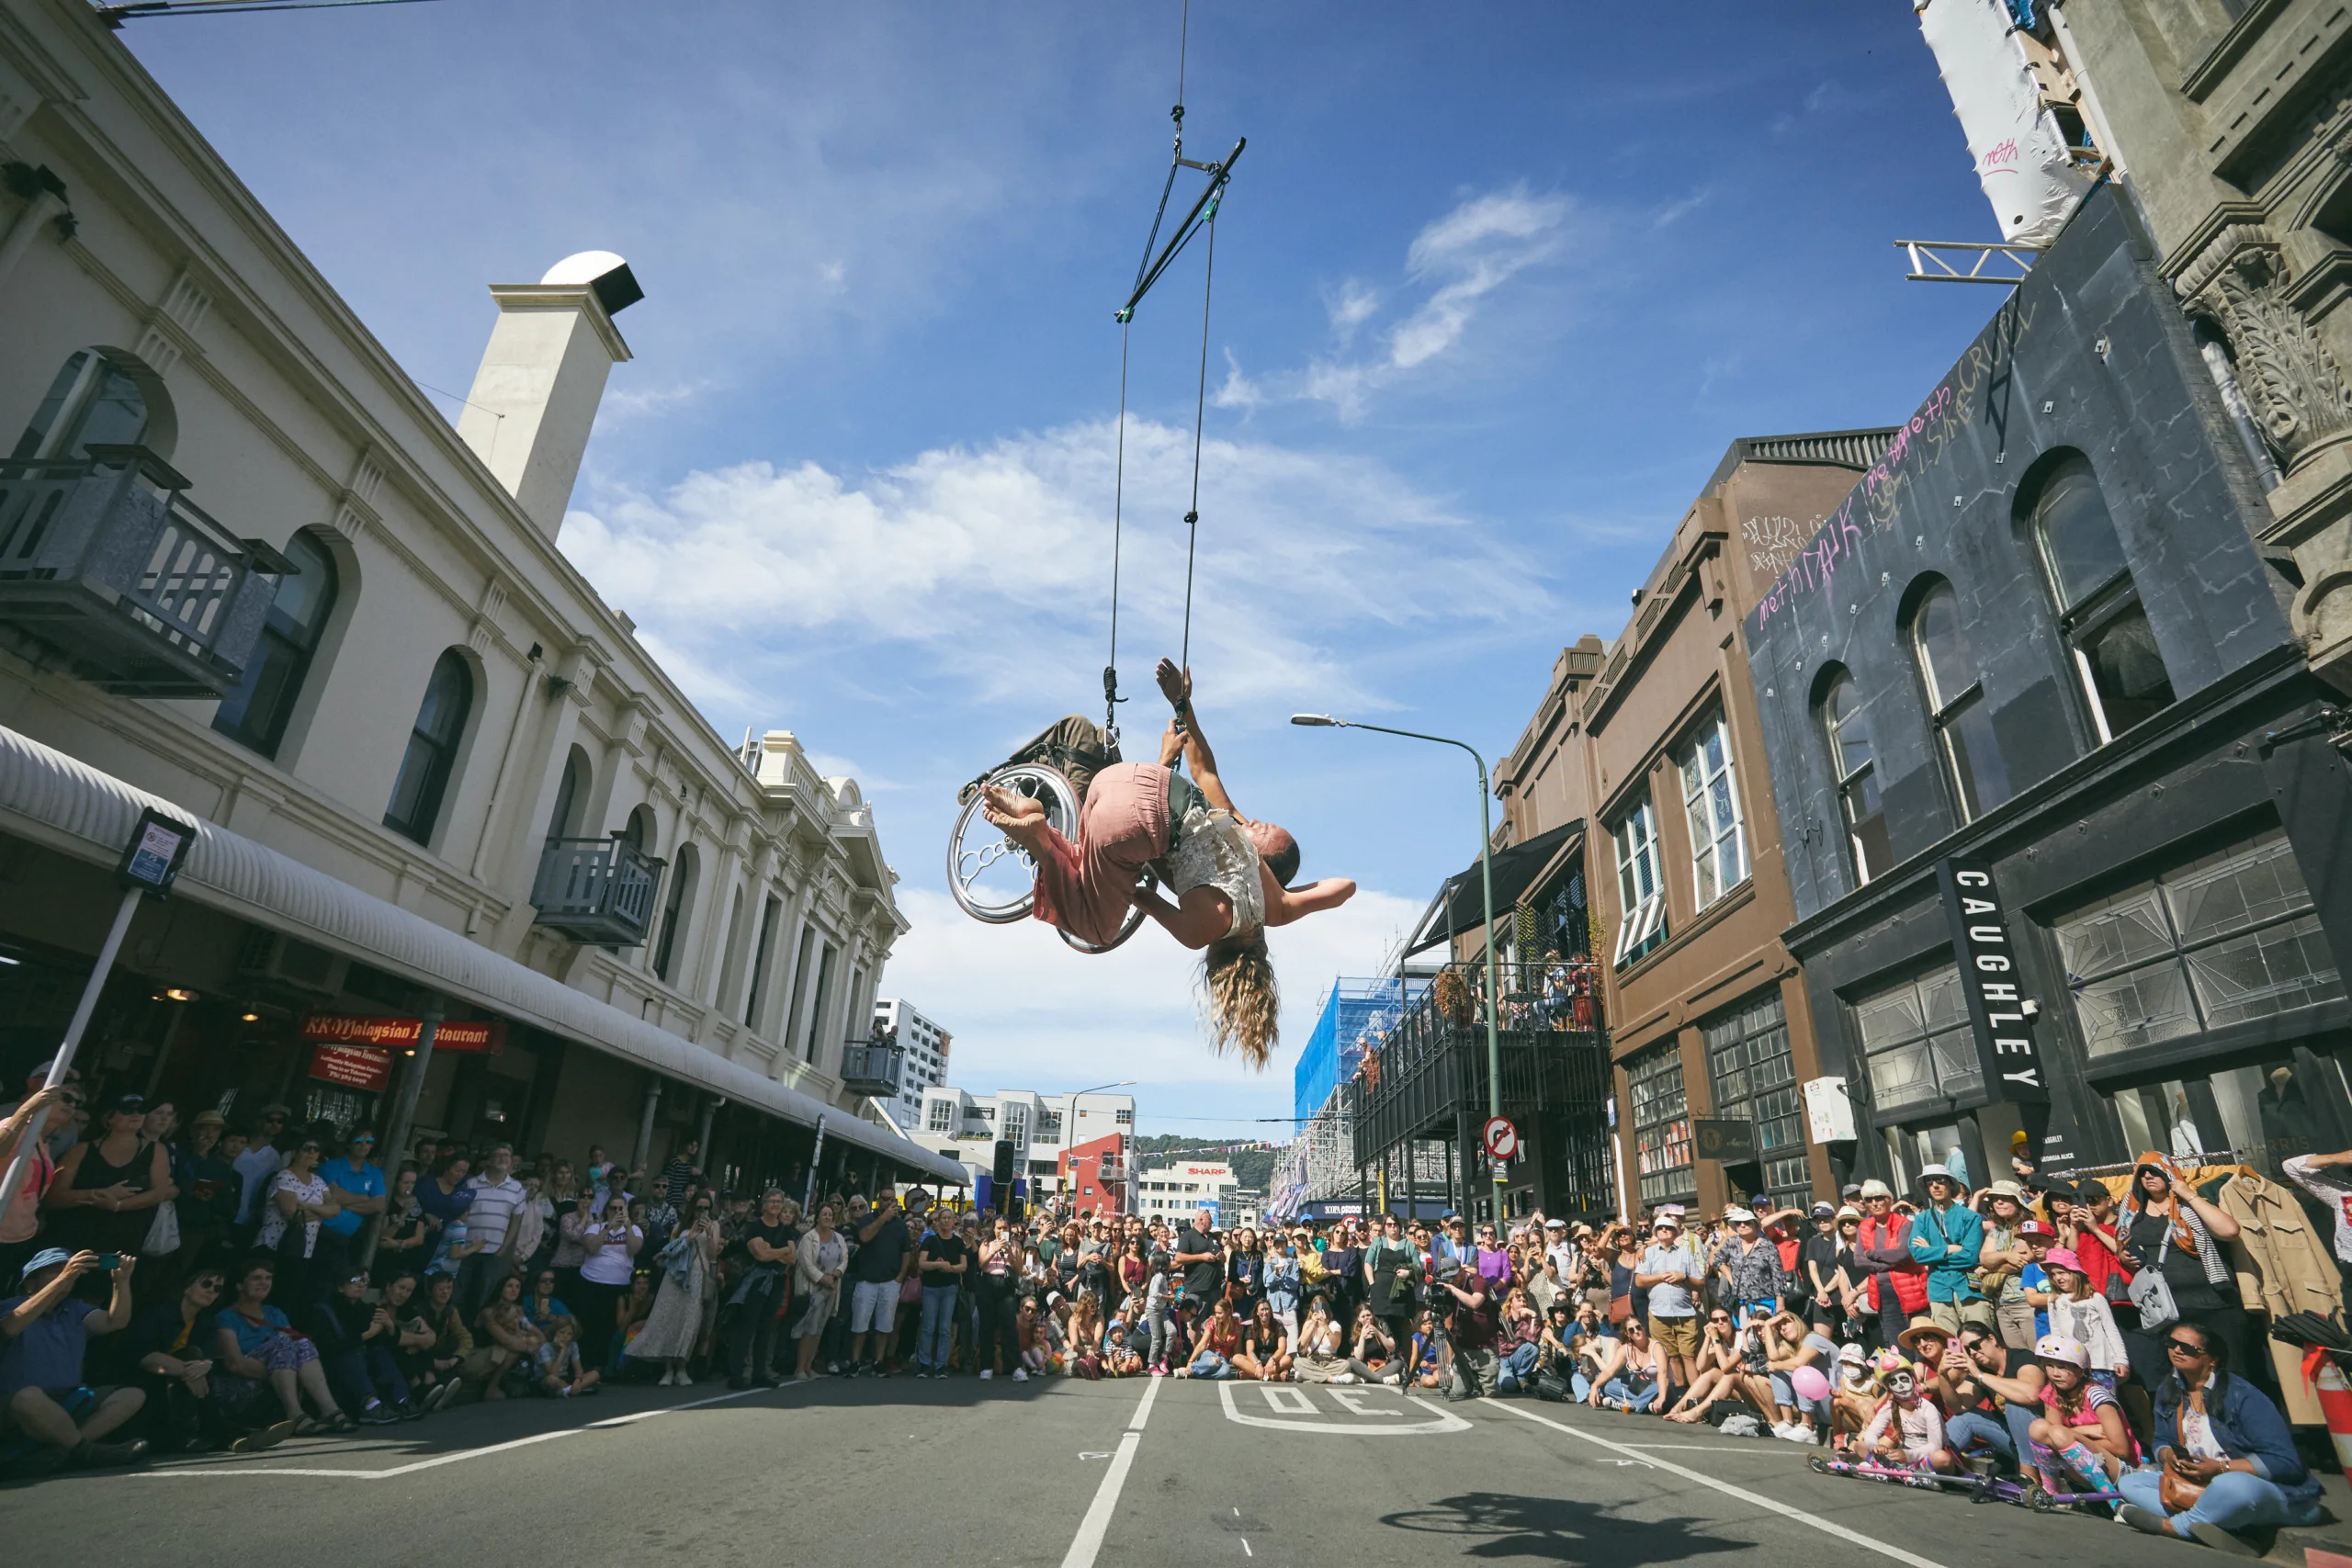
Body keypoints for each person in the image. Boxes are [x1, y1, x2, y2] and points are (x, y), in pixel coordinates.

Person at [980, 661, 1356, 1064]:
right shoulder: (1219, 903)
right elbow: (1143, 893)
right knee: (1098, 931)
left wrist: (1284, 905)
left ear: (1265, 858)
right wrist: (1181, 703)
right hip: (1123, 813)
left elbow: (1344, 888)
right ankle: (1038, 830)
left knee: (1084, 747)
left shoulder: (1265, 888)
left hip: (1138, 788)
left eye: (1266, 832)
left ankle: (1027, 810)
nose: (1257, 823)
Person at [2117, 1319, 2324, 1551]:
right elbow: (2161, 1442)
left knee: (2232, 1486)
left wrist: (2220, 1468)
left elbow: (2286, 1462)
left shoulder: (2243, 1396)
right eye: (2171, 1343)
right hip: (2202, 1485)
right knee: (2130, 1482)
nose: (2176, 1350)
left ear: (2212, 1360)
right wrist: (2169, 1456)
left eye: (2187, 1348)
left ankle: (2179, 1527)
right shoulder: (2170, 1390)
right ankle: (2222, 1524)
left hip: (2275, 1494)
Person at [0, 1247, 146, 1474]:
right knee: (28, 1397)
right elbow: (10, 1327)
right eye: (54, 1271)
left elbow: (115, 1322)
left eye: (69, 1270)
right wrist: (65, 1276)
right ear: (30, 1283)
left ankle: (62, 1453)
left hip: (69, 1399)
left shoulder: (74, 1309)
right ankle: (88, 1452)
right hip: (21, 1407)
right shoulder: (12, 1306)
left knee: (132, 1395)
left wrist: (121, 1282)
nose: (66, 1275)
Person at [2120, 1153, 2259, 1386]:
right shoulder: (2133, 1208)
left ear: (2168, 1172)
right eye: (2142, 1172)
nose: (2147, 1176)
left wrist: (2188, 1195)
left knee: (2230, 1372)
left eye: (2153, 1170)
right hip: (2167, 1310)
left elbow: (2230, 1231)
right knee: (2185, 1378)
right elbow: (2122, 1240)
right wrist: (2123, 1255)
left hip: (2213, 1303)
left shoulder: (2190, 1200)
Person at [211, 1256, 351, 1436]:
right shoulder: (226, 1317)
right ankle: (294, 1414)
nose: (264, 1282)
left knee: (302, 1343)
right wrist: (279, 1370)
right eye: (256, 1278)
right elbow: (234, 1363)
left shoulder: (275, 1314)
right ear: (239, 1285)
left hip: (279, 1379)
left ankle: (329, 1410)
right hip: (243, 1382)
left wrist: (284, 1370)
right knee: (283, 1342)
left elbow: (296, 1352)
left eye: (268, 1278)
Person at [43, 1090, 176, 1266]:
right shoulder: (81, 1150)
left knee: (106, 1290)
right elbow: (53, 1198)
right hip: (72, 1238)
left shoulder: (157, 1151)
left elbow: (159, 1193)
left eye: (141, 1110)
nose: (136, 1114)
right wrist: (99, 1194)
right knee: (60, 1286)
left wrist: (118, 1205)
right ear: (109, 1118)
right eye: (128, 1110)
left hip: (120, 1246)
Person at [2024, 1334, 2128, 1499]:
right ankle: (2052, 1492)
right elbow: (2052, 1435)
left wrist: (2073, 1436)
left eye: (2063, 1367)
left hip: (2120, 1470)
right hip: (2077, 1464)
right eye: (2049, 1365)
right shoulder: (2052, 1393)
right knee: (2038, 1427)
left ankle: (2115, 1501)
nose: (2055, 1373)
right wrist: (2082, 1431)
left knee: (2059, 1433)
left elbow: (2121, 1449)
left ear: (2081, 1370)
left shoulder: (2096, 1395)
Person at [636, 1201, 719, 1386]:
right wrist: (689, 1237)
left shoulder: (714, 1225)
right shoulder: (680, 1226)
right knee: (670, 1320)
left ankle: (682, 1368)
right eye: (699, 1207)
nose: (703, 1211)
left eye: (706, 1208)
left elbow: (713, 1255)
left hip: (698, 1274)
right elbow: (670, 1250)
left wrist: (710, 1234)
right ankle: (668, 1369)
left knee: (689, 1321)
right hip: (676, 1276)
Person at [254, 1134, 337, 1304]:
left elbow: (335, 1210)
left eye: (316, 1149)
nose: (312, 1152)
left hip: (303, 1250)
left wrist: (306, 1207)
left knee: (288, 1298)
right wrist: (322, 1212)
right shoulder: (283, 1177)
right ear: (295, 1152)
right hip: (275, 1246)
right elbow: (291, 1212)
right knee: (266, 1296)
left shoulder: (318, 1181)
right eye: (307, 1148)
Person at [452, 1143, 527, 1320]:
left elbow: (515, 1223)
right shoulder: (471, 1183)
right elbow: (458, 1215)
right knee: (459, 1295)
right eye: (498, 1154)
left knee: (485, 1298)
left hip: (495, 1252)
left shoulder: (517, 1188)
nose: (502, 1158)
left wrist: (503, 1249)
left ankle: (475, 1338)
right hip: (467, 1250)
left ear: (510, 1161)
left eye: (506, 1155)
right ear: (489, 1159)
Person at [1635, 1213, 1705, 1388]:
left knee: (1689, 1356)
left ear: (1675, 1232)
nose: (1664, 1230)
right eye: (1660, 1228)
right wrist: (1660, 1277)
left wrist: (1683, 1277)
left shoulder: (1685, 1253)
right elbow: (1639, 1281)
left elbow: (1700, 1284)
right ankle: (1681, 1394)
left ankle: (1697, 1397)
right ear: (1655, 1232)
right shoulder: (1648, 1253)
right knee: (1671, 1357)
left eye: (1667, 1227)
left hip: (1685, 1313)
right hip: (1659, 1313)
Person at [845, 1190, 910, 1377]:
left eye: (892, 1199)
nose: (889, 1202)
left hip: (890, 1281)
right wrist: (883, 1218)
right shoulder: (867, 1219)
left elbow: (906, 1253)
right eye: (885, 1199)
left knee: (885, 1325)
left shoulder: (900, 1225)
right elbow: (865, 1237)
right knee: (860, 1323)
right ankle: (855, 1361)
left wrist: (900, 1277)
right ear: (878, 1201)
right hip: (867, 1280)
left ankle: (878, 1360)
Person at [1859, 1350, 1951, 1472]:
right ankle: (1892, 1469)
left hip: (1924, 1458)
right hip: (1902, 1461)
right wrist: (1875, 1446)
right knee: (1859, 1445)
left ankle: (1891, 1470)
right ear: (1889, 1389)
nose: (1900, 1385)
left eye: (1904, 1379)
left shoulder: (1928, 1409)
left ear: (1913, 1381)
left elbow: (1935, 1446)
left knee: (1942, 1458)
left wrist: (1907, 1455)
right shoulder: (1890, 1407)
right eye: (1893, 1382)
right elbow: (1871, 1432)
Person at [315, 1129, 385, 1289]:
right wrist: (365, 1197)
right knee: (318, 1282)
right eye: (358, 1141)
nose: (363, 1145)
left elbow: (378, 1204)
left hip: (351, 1241)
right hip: (323, 1233)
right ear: (349, 1144)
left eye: (369, 1142)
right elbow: (331, 1194)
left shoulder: (375, 1174)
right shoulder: (330, 1167)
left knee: (342, 1284)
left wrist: (340, 1201)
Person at [790, 1201, 847, 1382]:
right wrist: (823, 1279)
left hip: (831, 1290)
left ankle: (810, 1365)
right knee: (809, 1328)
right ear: (817, 1217)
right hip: (813, 1289)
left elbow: (844, 1259)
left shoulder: (839, 1237)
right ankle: (800, 1367)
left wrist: (835, 1275)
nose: (828, 1217)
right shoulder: (809, 1238)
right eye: (824, 1214)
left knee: (820, 1329)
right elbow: (806, 1263)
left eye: (830, 1215)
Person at [915, 1202, 968, 1378]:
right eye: (942, 1218)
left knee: (945, 1328)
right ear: (936, 1222)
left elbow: (963, 1266)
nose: (946, 1221)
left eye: (949, 1218)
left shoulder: (958, 1242)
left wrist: (950, 1268)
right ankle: (924, 1364)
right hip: (931, 1288)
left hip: (949, 1288)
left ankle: (940, 1365)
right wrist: (938, 1265)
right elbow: (921, 1263)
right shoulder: (929, 1241)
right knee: (928, 1327)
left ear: (954, 1222)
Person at [1440, 1259, 1500, 1401]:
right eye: (1449, 1277)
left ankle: (1484, 1382)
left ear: (1462, 1271)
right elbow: (1446, 1312)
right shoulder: (1449, 1287)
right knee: (1459, 1392)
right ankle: (1470, 1381)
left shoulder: (1477, 1281)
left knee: (1488, 1395)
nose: (1453, 1280)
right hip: (1463, 1349)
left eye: (1455, 1275)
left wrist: (1453, 1289)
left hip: (1485, 1348)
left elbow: (1475, 1302)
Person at [532, 1315, 600, 1398]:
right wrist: (562, 1351)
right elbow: (552, 1373)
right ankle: (572, 1390)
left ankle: (568, 1390)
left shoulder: (572, 1345)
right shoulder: (545, 1348)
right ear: (555, 1332)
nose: (565, 1336)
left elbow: (578, 1370)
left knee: (595, 1374)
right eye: (562, 1332)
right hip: (546, 1379)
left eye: (569, 1334)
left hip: (564, 1377)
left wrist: (578, 1381)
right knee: (552, 1380)